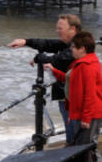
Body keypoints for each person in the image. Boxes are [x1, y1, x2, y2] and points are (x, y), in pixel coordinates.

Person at [8, 14, 82, 142]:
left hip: (71, 98)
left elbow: (55, 60)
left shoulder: (76, 48)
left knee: (75, 138)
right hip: (69, 96)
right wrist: (26, 42)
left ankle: (78, 157)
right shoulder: (72, 43)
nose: (57, 31)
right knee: (75, 136)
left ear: (73, 29)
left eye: (60, 28)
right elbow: (49, 44)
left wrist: (37, 58)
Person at [63, 31, 102, 148]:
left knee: (87, 149)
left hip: (89, 114)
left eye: (74, 47)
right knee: (85, 148)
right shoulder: (87, 63)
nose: (71, 49)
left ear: (82, 49)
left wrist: (86, 118)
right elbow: (76, 84)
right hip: (88, 113)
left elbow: (89, 94)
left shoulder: (86, 66)